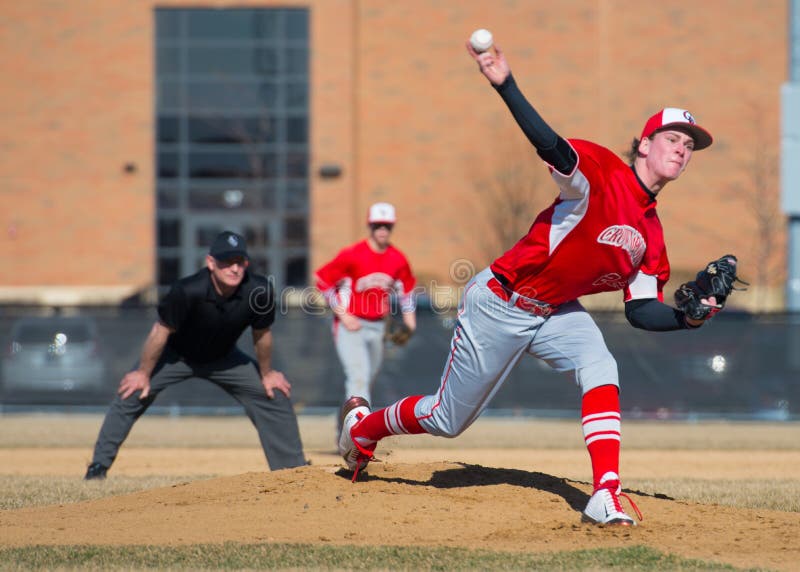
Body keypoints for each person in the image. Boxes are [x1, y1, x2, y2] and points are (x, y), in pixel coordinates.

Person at [338, 38, 725, 526]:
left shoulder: (651, 234)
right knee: (447, 420)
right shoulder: (602, 174)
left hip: (555, 310)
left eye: (689, 146)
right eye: (673, 139)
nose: (683, 150)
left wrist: (688, 319)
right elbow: (553, 147)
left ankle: (605, 493)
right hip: (501, 300)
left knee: (600, 364)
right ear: (645, 144)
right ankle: (362, 429)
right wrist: (507, 87)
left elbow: (641, 309)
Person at [85, 231, 306, 479]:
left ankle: (294, 472)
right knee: (133, 390)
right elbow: (160, 331)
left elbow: (262, 334)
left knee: (274, 394)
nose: (233, 268)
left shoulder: (260, 290)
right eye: (226, 262)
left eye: (239, 262)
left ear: (246, 264)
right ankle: (97, 468)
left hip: (225, 359)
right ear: (211, 263)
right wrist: (143, 373)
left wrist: (267, 374)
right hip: (176, 356)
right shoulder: (187, 291)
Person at [315, 202, 417, 412]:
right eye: (377, 225)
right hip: (351, 326)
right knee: (358, 377)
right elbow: (322, 281)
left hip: (378, 326)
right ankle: (356, 436)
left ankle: (345, 429)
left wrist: (410, 322)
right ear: (369, 226)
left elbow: (406, 291)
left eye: (386, 226)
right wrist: (343, 315)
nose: (382, 230)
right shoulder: (353, 254)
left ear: (392, 228)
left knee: (365, 381)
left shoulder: (397, 259)